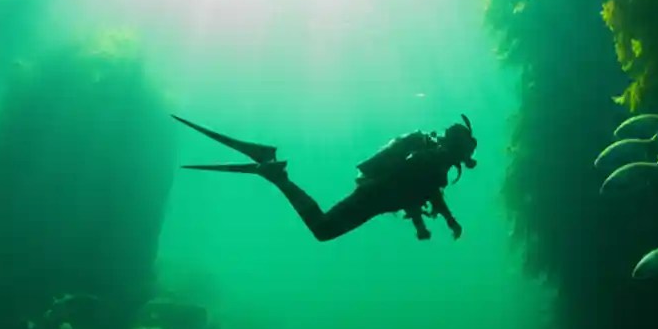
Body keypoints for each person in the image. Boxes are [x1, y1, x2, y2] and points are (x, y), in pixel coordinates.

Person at [171, 114, 477, 242]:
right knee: (322, 229)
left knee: (323, 229)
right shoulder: (433, 161)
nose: (465, 159)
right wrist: (432, 224)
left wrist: (442, 222)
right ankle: (276, 173)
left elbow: (419, 192)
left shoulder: (434, 160)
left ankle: (274, 171)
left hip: (376, 197)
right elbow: (415, 191)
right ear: (458, 149)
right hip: (373, 197)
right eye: (465, 153)